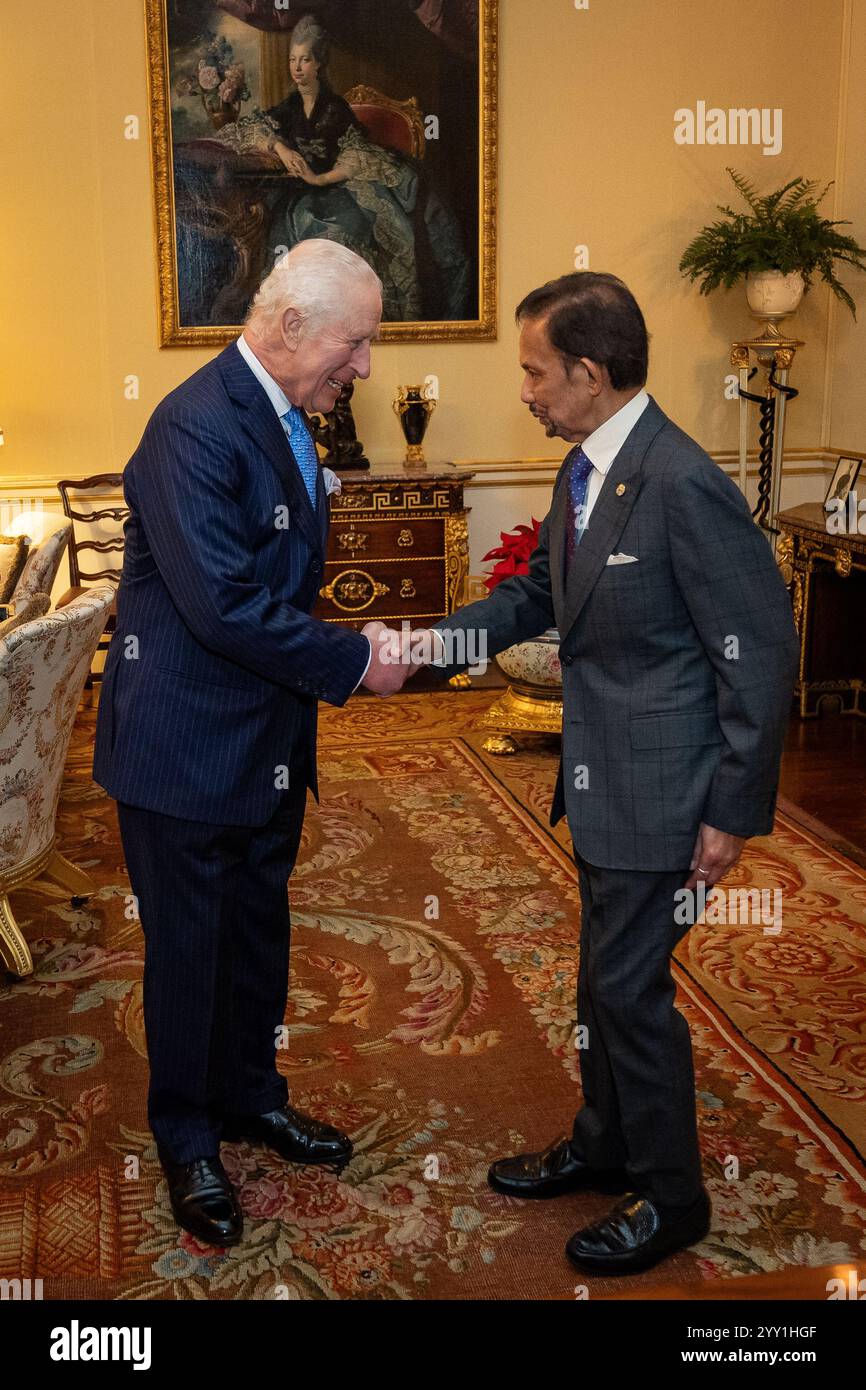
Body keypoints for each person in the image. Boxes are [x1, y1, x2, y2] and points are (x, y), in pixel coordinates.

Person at [389, 272, 799, 1275]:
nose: (523, 390)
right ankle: (603, 1140)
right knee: (601, 980)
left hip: (665, 794)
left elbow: (759, 648)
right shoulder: (586, 468)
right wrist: (416, 650)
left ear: (587, 370)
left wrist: (729, 813)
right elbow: (533, 597)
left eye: (534, 371)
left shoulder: (677, 479)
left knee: (627, 993)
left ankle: (672, 1196)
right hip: (603, 786)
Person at [92, 239, 406, 1247]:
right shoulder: (192, 424)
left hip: (265, 740)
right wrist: (353, 659)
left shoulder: (280, 415)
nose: (361, 368)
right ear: (292, 327)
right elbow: (224, 606)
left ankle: (249, 1097)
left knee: (255, 935)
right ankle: (187, 1138)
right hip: (185, 750)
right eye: (355, 344)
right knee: (190, 950)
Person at [216, 13, 469, 321]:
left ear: (319, 64)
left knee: (340, 228)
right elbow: (253, 128)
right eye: (293, 60)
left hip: (337, 188)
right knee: (282, 228)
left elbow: (355, 154)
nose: (297, 68)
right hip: (298, 195)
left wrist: (319, 177)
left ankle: (348, 313)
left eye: (305, 60)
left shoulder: (335, 108)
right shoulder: (289, 107)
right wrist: (281, 149)